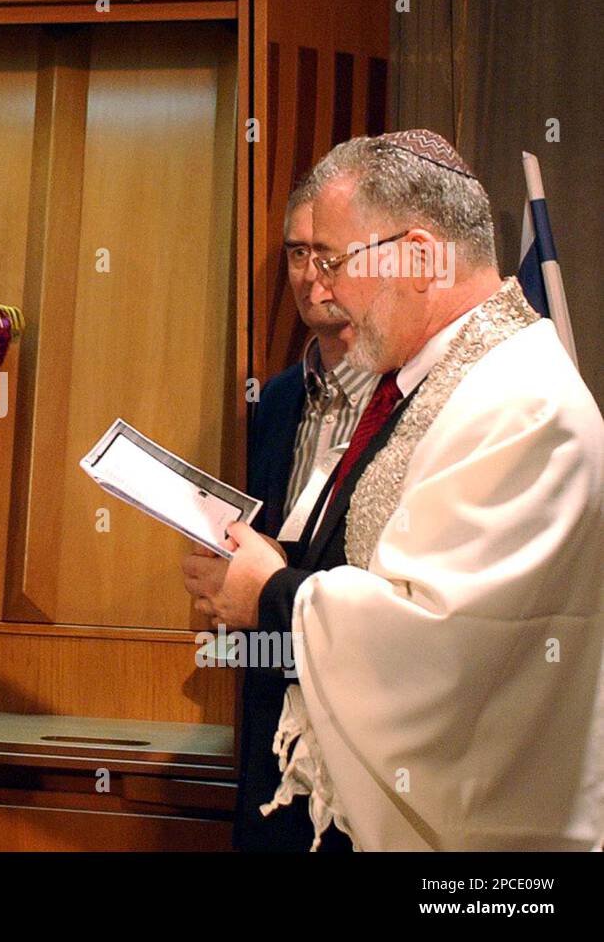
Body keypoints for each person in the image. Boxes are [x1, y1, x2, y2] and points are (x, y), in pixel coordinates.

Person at [185, 129, 604, 850]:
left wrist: (271, 594)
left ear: (417, 256)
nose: (323, 289)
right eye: (307, 258)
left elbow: (438, 649)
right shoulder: (433, 381)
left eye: (339, 260)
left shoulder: (521, 404)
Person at [193, 176, 379, 851]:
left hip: (363, 713)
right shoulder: (273, 400)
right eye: (297, 255)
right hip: (268, 692)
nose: (309, 276)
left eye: (328, 256)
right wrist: (231, 573)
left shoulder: (403, 399)